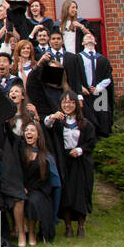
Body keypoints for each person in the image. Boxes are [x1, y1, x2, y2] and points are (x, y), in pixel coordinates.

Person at [44, 92, 96, 238]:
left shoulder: (85, 123)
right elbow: (46, 124)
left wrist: (80, 150)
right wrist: (53, 116)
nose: (68, 105)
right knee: (66, 194)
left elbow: (91, 142)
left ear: (76, 105)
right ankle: (67, 227)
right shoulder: (58, 122)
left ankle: (81, 226)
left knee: (79, 194)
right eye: (64, 102)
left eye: (71, 102)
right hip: (63, 162)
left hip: (80, 163)